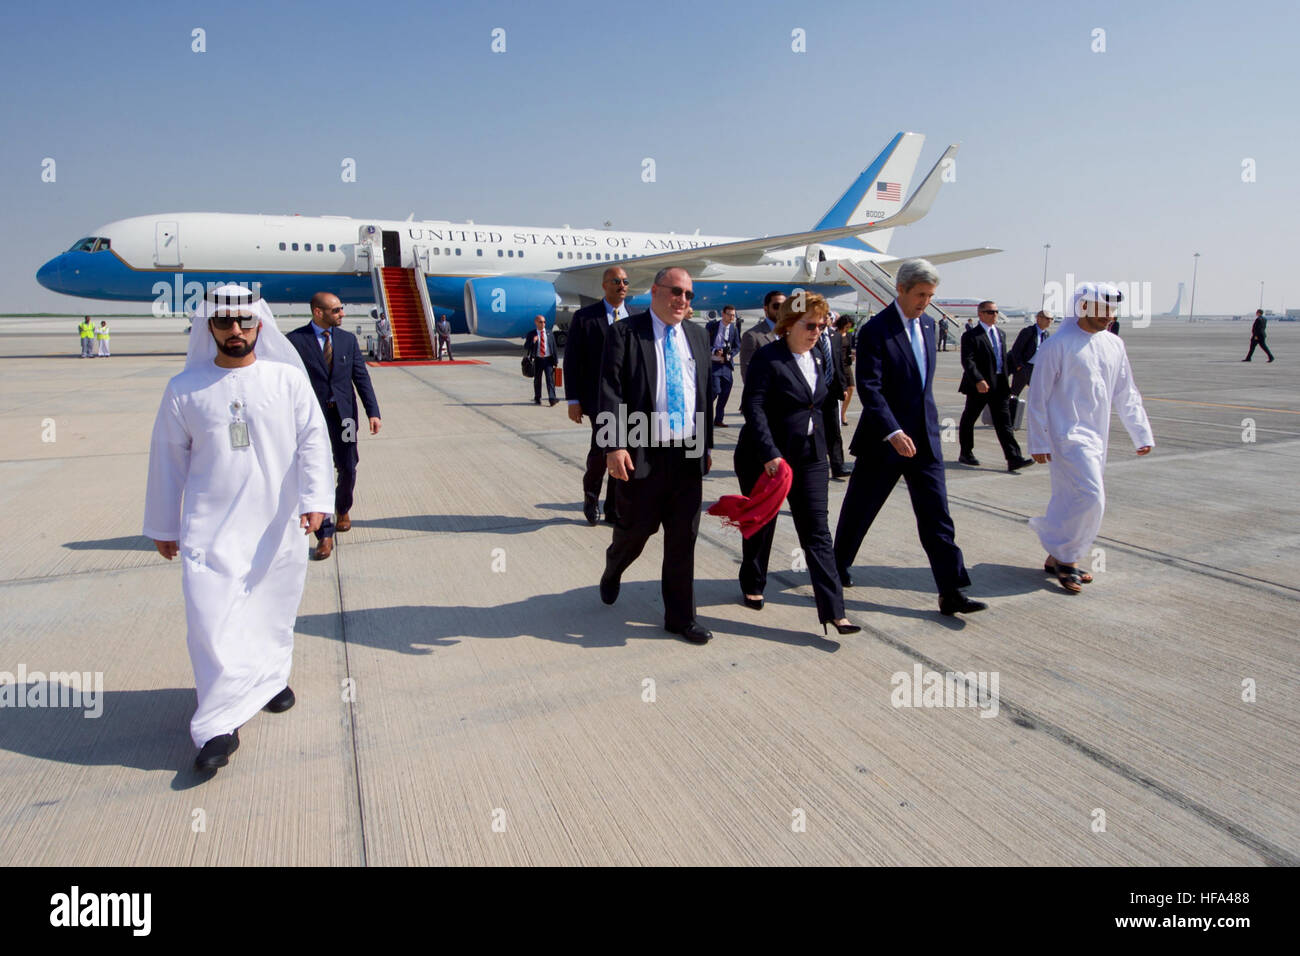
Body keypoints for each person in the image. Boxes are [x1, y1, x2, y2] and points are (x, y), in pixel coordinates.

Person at [143, 285, 334, 772]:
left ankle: (270, 680)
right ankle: (216, 726)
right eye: (224, 322)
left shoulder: (287, 380)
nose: (235, 331)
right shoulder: (183, 390)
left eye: (244, 322)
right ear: (209, 327)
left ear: (259, 326)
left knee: (272, 608)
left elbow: (314, 441)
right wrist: (164, 524)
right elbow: (166, 462)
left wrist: (316, 502)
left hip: (276, 520)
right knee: (211, 618)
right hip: (210, 529)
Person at [833, 259, 986, 616]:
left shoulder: (930, 325)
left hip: (926, 441)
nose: (925, 302)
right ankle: (837, 564)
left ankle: (951, 591)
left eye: (931, 295)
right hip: (884, 440)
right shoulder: (875, 330)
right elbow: (870, 388)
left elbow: (922, 387)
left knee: (937, 516)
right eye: (920, 295)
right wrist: (893, 430)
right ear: (900, 289)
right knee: (860, 508)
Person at [597, 266, 714, 645]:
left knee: (683, 538)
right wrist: (614, 445)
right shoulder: (626, 333)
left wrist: (705, 445)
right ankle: (615, 564)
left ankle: (680, 619)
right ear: (655, 292)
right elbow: (610, 391)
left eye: (689, 295)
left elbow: (703, 393)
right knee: (637, 530)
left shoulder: (697, 336)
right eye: (676, 292)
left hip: (687, 453)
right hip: (641, 450)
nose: (683, 300)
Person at [733, 292, 859, 635]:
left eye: (822, 325)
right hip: (766, 457)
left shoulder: (818, 355)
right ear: (789, 325)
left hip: (810, 456)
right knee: (763, 524)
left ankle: (835, 612)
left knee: (817, 531)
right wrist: (770, 453)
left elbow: (818, 404)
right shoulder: (768, 358)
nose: (818, 331)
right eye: (811, 325)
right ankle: (753, 580)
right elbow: (754, 407)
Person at [1026, 282, 1154, 593]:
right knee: (1092, 497)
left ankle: (1056, 553)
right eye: (1102, 309)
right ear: (1082, 307)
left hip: (1098, 436)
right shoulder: (1056, 345)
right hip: (1065, 436)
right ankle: (1068, 560)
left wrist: (1141, 432)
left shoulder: (1113, 344)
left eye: (1112, 310)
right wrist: (1038, 441)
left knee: (1071, 497)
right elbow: (1038, 397)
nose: (1109, 316)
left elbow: (1126, 392)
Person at [286, 292, 382, 561]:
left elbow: (361, 378)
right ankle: (324, 534)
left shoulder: (348, 340)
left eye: (342, 309)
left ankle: (343, 508)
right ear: (318, 312)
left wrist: (372, 411)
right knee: (317, 470)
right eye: (337, 310)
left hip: (346, 417)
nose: (342, 314)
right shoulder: (295, 342)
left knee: (349, 466)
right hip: (312, 419)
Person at [565, 267, 630, 525]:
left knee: (626, 452)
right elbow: (572, 362)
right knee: (602, 451)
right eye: (616, 281)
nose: (622, 285)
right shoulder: (585, 318)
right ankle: (591, 495)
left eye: (625, 281)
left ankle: (614, 507)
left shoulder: (637, 318)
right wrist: (573, 400)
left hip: (630, 401)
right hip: (599, 400)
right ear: (604, 285)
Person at [956, 301, 1035, 472]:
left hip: (999, 385)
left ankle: (1014, 458)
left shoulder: (1001, 333)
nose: (994, 315)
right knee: (969, 418)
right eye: (990, 312)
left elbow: (1003, 359)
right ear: (981, 314)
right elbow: (967, 361)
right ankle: (966, 452)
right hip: (979, 386)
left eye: (996, 312)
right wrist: (978, 379)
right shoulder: (971, 336)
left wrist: (1015, 371)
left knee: (1004, 423)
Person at [815, 316, 851, 479]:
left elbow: (839, 364)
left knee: (834, 431)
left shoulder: (835, 337)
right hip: (814, 392)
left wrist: (842, 386)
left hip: (831, 391)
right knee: (815, 431)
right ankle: (817, 465)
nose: (826, 320)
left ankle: (838, 466)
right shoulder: (810, 335)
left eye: (828, 317)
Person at [705, 305, 741, 426]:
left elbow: (737, 346)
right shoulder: (712, 326)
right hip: (713, 364)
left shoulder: (734, 329)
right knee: (715, 391)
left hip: (726, 365)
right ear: (723, 314)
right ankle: (704, 415)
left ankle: (718, 420)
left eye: (733, 315)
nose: (732, 317)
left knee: (725, 393)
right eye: (730, 315)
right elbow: (704, 343)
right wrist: (714, 350)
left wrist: (730, 354)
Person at [739, 291, 785, 380]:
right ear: (766, 309)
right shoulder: (752, 336)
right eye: (777, 306)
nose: (781, 310)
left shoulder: (790, 334)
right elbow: (748, 374)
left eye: (784, 307)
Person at [1008, 310, 1053, 399]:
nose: (1050, 321)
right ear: (1038, 319)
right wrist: (1019, 366)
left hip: (1036, 368)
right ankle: (1010, 410)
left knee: (1039, 393)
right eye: (1047, 318)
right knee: (1014, 393)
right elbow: (1016, 350)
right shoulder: (1028, 331)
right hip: (1025, 368)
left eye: (1051, 319)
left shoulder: (1046, 334)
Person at [524, 314, 558, 405]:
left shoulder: (549, 333)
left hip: (548, 360)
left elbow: (554, 347)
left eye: (544, 322)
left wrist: (556, 361)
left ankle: (552, 398)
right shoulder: (532, 334)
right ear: (536, 323)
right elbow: (526, 346)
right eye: (541, 322)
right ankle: (537, 397)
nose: (543, 324)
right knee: (537, 380)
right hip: (538, 360)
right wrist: (533, 341)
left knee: (550, 380)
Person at [835, 315, 855, 426]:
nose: (847, 329)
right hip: (837, 365)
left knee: (851, 388)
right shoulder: (834, 334)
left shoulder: (848, 335)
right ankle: (838, 414)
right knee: (841, 391)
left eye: (849, 327)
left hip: (846, 365)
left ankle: (843, 413)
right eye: (846, 327)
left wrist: (851, 356)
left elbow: (848, 349)